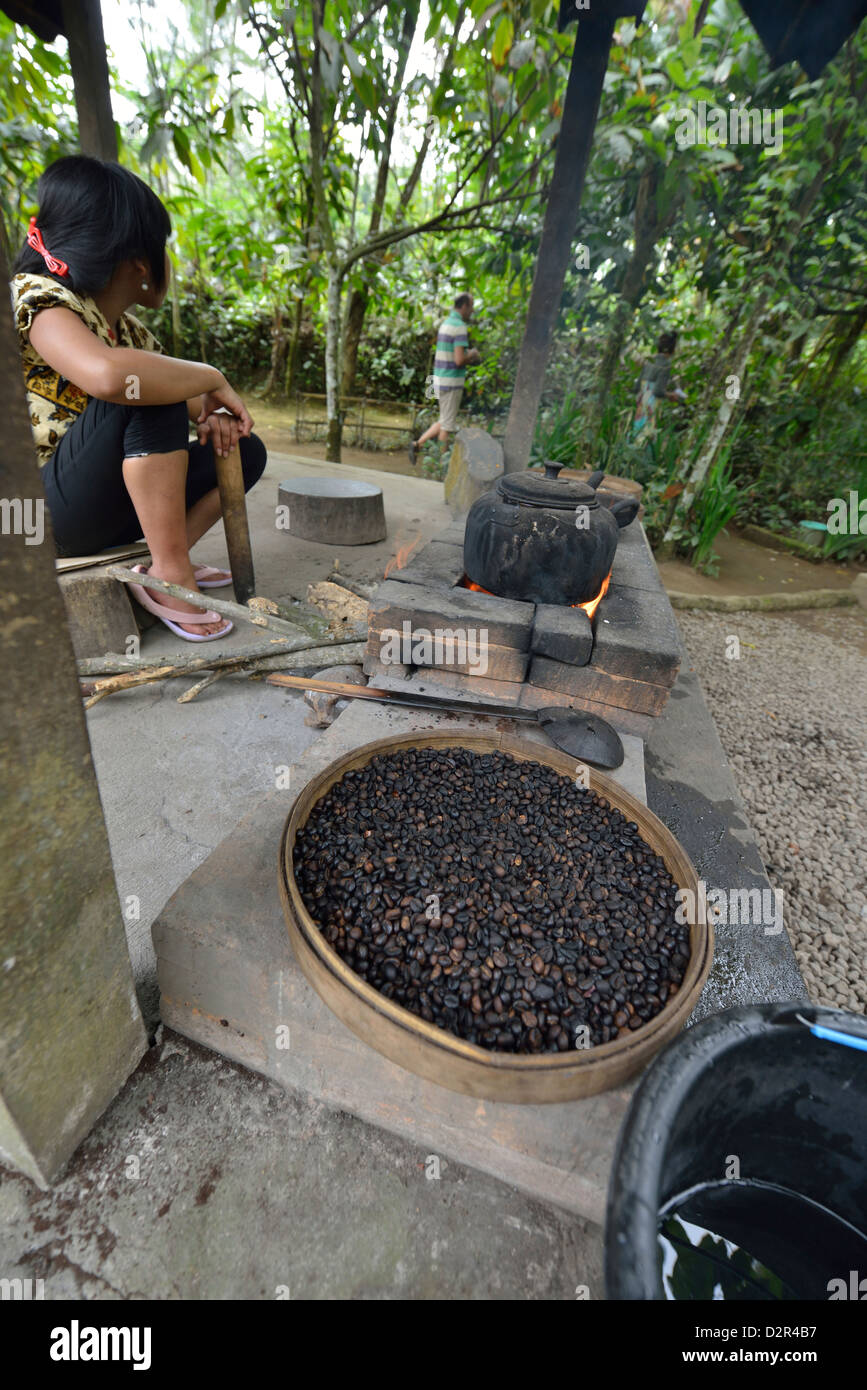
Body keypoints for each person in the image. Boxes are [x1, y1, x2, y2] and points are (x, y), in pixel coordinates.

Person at [11, 155, 266, 641]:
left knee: (242, 450)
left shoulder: (130, 332)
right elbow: (110, 376)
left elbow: (196, 405)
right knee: (144, 390)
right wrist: (210, 375)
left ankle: (158, 561)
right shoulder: (37, 298)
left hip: (104, 505)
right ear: (137, 260)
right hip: (44, 513)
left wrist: (214, 419)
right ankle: (172, 573)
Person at [409, 292, 480, 464]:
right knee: (447, 427)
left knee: (444, 420)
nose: (472, 311)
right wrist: (472, 354)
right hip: (450, 381)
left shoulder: (445, 324)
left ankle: (417, 444)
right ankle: (441, 465)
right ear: (463, 306)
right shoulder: (459, 327)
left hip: (437, 378)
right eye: (471, 307)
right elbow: (458, 360)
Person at [632, 330, 685, 439]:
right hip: (651, 405)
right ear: (673, 349)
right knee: (648, 435)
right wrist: (671, 395)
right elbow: (658, 391)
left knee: (638, 432)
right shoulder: (665, 364)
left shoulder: (649, 361)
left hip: (641, 403)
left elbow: (637, 387)